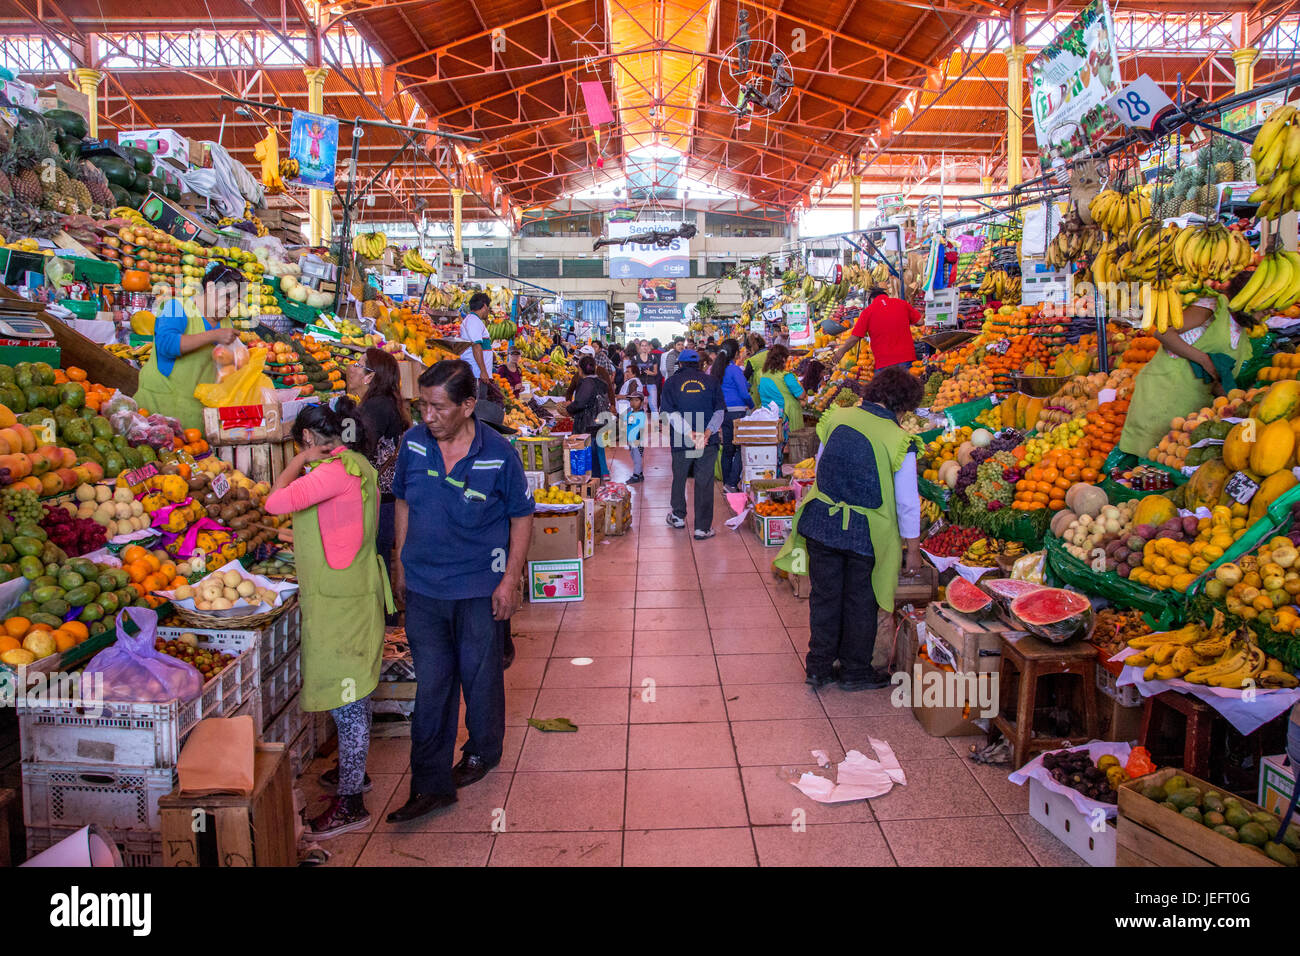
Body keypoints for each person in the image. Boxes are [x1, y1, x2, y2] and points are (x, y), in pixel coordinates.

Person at [387, 360, 534, 822]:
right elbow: (405, 502)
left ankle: (483, 750)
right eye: (421, 405)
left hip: (478, 585)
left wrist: (510, 580)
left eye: (437, 406)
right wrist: (399, 562)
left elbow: (521, 516)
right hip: (426, 586)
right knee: (433, 684)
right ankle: (429, 785)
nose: (426, 415)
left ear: (468, 406)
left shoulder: (498, 452)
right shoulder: (412, 444)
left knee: (481, 675)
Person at [264, 400, 390, 837]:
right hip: (356, 589)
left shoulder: (329, 473)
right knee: (353, 692)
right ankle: (354, 772)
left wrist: (299, 460)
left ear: (308, 439)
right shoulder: (357, 463)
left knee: (348, 699)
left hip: (341, 602)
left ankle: (351, 803)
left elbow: (274, 502)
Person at [774, 366, 923, 691]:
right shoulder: (900, 440)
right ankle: (855, 672)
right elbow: (907, 502)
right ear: (903, 404)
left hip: (822, 522)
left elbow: (822, 466)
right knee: (861, 601)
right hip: (865, 533)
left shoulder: (837, 417)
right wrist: (913, 550)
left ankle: (819, 667)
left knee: (825, 597)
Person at [1118, 286, 1254, 457]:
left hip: (1192, 407)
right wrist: (1204, 360)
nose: (1271, 309)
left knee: (1173, 458)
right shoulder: (1213, 305)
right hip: (1163, 394)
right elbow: (1163, 331)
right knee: (1148, 462)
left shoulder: (1242, 332)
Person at [133, 264, 241, 431]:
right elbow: (166, 345)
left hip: (196, 418)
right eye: (228, 296)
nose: (231, 304)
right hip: (158, 412)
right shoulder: (177, 308)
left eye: (236, 300)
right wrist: (214, 335)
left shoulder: (226, 322)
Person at [343, 348, 409, 618]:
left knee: (377, 559)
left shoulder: (375, 407)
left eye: (357, 365)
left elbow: (354, 449)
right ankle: (386, 617)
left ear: (370, 377)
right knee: (381, 557)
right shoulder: (382, 403)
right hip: (388, 499)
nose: (351, 368)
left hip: (380, 500)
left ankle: (384, 621)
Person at [662, 349, 724, 538]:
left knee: (679, 477)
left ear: (680, 364)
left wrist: (690, 433)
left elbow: (669, 414)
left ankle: (678, 517)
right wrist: (705, 433)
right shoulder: (712, 381)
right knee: (704, 481)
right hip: (707, 441)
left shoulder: (671, 383)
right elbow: (720, 412)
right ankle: (702, 528)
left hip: (682, 439)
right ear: (699, 364)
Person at [833, 287, 923, 372]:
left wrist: (841, 351)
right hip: (907, 358)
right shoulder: (902, 303)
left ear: (871, 300)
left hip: (884, 363)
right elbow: (920, 322)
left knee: (885, 388)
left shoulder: (868, 312)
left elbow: (855, 338)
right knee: (906, 388)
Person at [711, 338, 754, 493]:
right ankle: (731, 482)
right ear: (735, 353)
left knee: (728, 448)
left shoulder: (716, 369)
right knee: (741, 448)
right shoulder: (734, 370)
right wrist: (752, 405)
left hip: (723, 413)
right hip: (737, 412)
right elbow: (743, 392)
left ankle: (726, 483)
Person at [567, 354, 614, 480]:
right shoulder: (601, 382)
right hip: (600, 422)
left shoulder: (587, 383)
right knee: (596, 453)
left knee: (590, 454)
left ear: (580, 369)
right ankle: (597, 479)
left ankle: (591, 481)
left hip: (588, 424)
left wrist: (568, 409)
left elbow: (580, 403)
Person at [756, 344, 806, 438]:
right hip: (787, 418)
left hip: (769, 418)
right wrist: (800, 383)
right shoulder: (786, 376)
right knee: (790, 448)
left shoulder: (762, 375)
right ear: (783, 359)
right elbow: (801, 395)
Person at [459, 291, 494, 387]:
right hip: (477, 374)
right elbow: (476, 347)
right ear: (485, 306)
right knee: (477, 400)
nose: (489, 311)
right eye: (488, 307)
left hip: (477, 373)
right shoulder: (473, 321)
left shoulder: (474, 320)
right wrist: (483, 371)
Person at [624, 382, 647, 484]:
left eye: (636, 400)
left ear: (641, 403)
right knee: (634, 457)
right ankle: (640, 474)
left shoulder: (641, 415)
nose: (633, 402)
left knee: (637, 458)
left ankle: (636, 475)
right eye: (631, 400)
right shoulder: (630, 413)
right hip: (631, 440)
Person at [635, 340, 661, 412]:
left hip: (651, 383)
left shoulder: (653, 358)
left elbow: (656, 372)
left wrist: (650, 373)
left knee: (653, 405)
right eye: (642, 345)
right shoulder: (635, 358)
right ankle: (639, 422)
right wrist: (638, 373)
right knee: (638, 406)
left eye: (646, 345)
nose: (644, 347)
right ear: (640, 347)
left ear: (648, 346)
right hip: (638, 384)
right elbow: (633, 373)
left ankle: (655, 423)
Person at [743, 332, 768, 405]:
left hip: (758, 396)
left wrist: (744, 358)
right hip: (772, 392)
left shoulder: (752, 360)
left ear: (751, 347)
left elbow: (744, 379)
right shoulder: (771, 353)